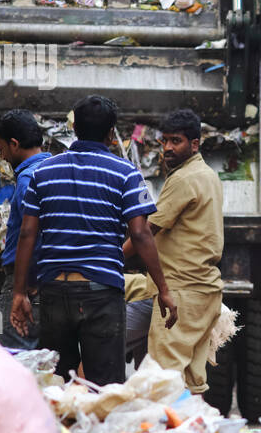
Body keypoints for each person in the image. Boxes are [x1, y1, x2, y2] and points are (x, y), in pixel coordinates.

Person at [12, 95, 177, 386]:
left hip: (54, 292)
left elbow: (27, 234)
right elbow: (140, 234)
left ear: (74, 129)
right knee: (104, 389)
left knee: (55, 385)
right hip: (101, 295)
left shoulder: (42, 173)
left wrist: (19, 293)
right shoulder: (126, 174)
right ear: (111, 134)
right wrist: (163, 288)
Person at [121, 109, 224, 395]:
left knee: (164, 381)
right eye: (164, 141)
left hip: (181, 292)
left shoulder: (183, 180)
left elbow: (145, 233)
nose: (167, 148)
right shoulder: (207, 175)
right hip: (204, 291)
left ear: (194, 144)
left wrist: (113, 260)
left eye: (175, 141)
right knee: (191, 380)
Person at [0, 109, 50, 349]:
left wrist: (23, 288)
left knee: (10, 354)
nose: (2, 156)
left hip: (25, 285)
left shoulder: (28, 179)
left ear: (14, 144)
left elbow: (32, 234)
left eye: (1, 148)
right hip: (46, 284)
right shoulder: (52, 170)